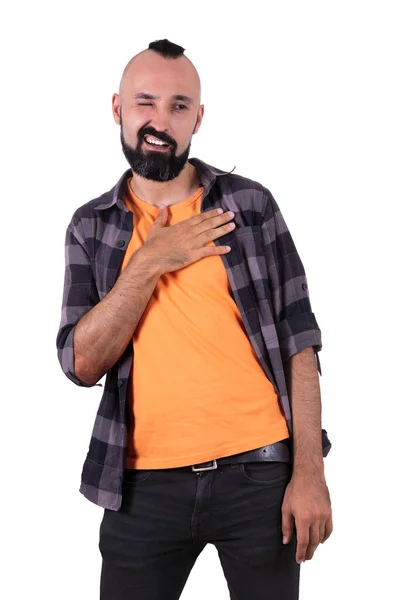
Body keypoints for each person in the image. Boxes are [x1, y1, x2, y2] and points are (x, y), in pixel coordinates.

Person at [56, 38, 333, 600]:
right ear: (117, 109)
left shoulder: (250, 206)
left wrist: (310, 472)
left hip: (260, 477)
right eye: (146, 102)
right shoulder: (93, 227)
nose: (161, 120)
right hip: (140, 488)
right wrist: (149, 262)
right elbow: (81, 363)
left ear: (198, 119)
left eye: (179, 106)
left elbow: (300, 343)